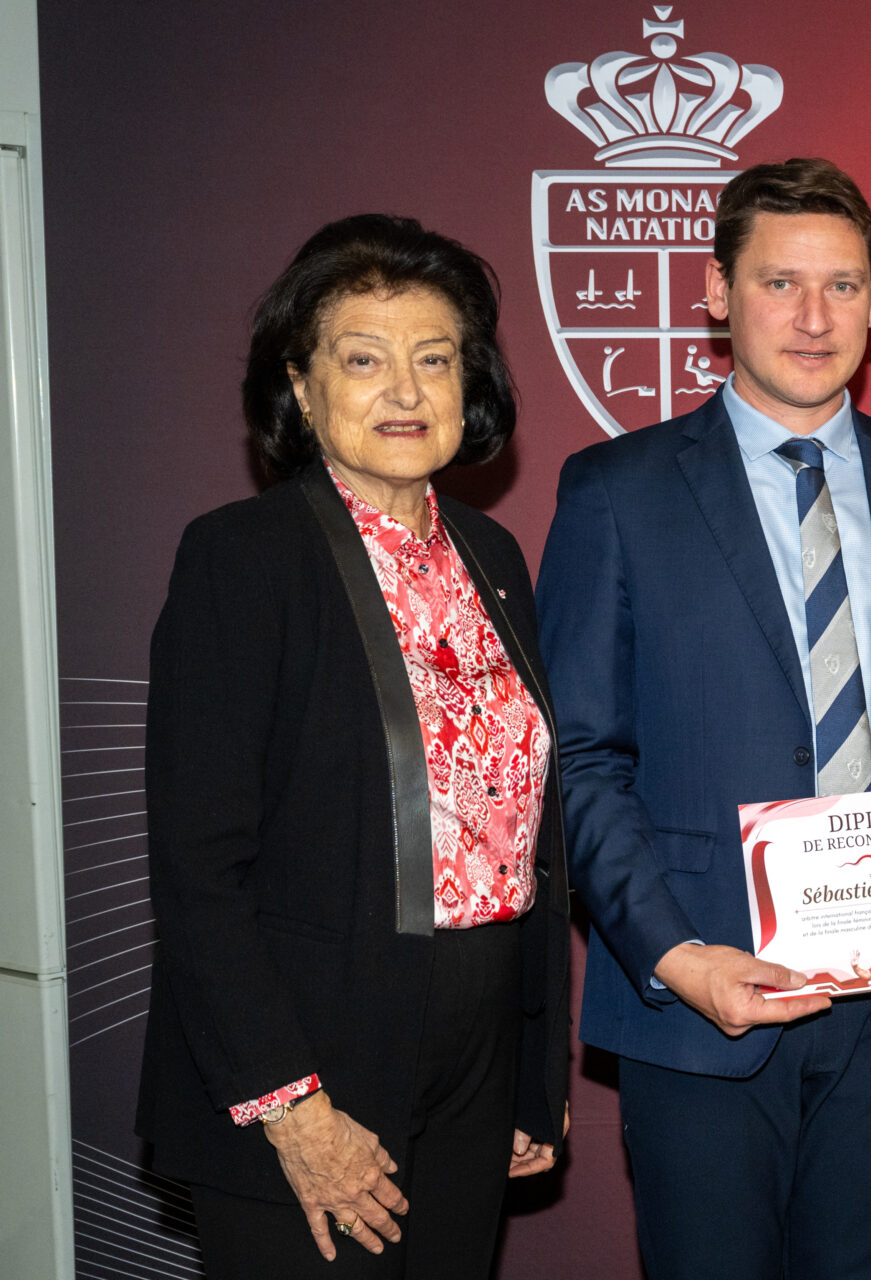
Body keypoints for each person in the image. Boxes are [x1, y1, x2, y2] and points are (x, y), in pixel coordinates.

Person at [536, 157, 871, 1280]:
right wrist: (675, 955)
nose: (815, 318)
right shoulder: (617, 491)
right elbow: (580, 759)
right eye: (780, 282)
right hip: (702, 996)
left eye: (843, 285)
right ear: (717, 291)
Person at [138, 214, 571, 1278]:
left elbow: (527, 838)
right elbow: (200, 868)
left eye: (436, 359)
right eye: (364, 360)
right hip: (310, 1055)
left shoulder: (493, 553)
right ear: (300, 385)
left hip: (476, 1052)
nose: (406, 392)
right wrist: (292, 1108)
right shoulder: (242, 559)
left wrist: (527, 1070)